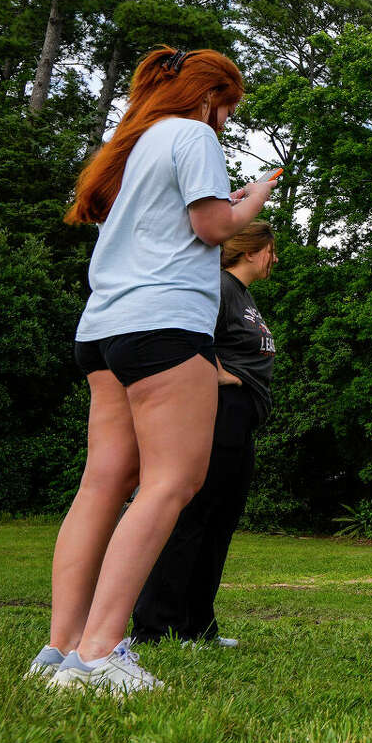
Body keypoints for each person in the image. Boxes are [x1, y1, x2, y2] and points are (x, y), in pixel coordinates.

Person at [33, 47, 276, 694]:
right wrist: (250, 201)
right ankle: (101, 652)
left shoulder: (135, 144)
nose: (226, 121)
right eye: (229, 108)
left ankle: (59, 653)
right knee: (172, 481)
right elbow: (209, 225)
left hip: (103, 327)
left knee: (103, 483)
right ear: (211, 98)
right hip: (164, 323)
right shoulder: (192, 133)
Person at [132, 220, 280, 646]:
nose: (274, 259)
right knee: (193, 519)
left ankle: (196, 626)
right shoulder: (217, 285)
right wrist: (219, 376)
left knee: (220, 523)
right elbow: (189, 337)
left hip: (242, 418)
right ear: (251, 251)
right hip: (219, 413)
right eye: (270, 250)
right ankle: (153, 626)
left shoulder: (243, 295)